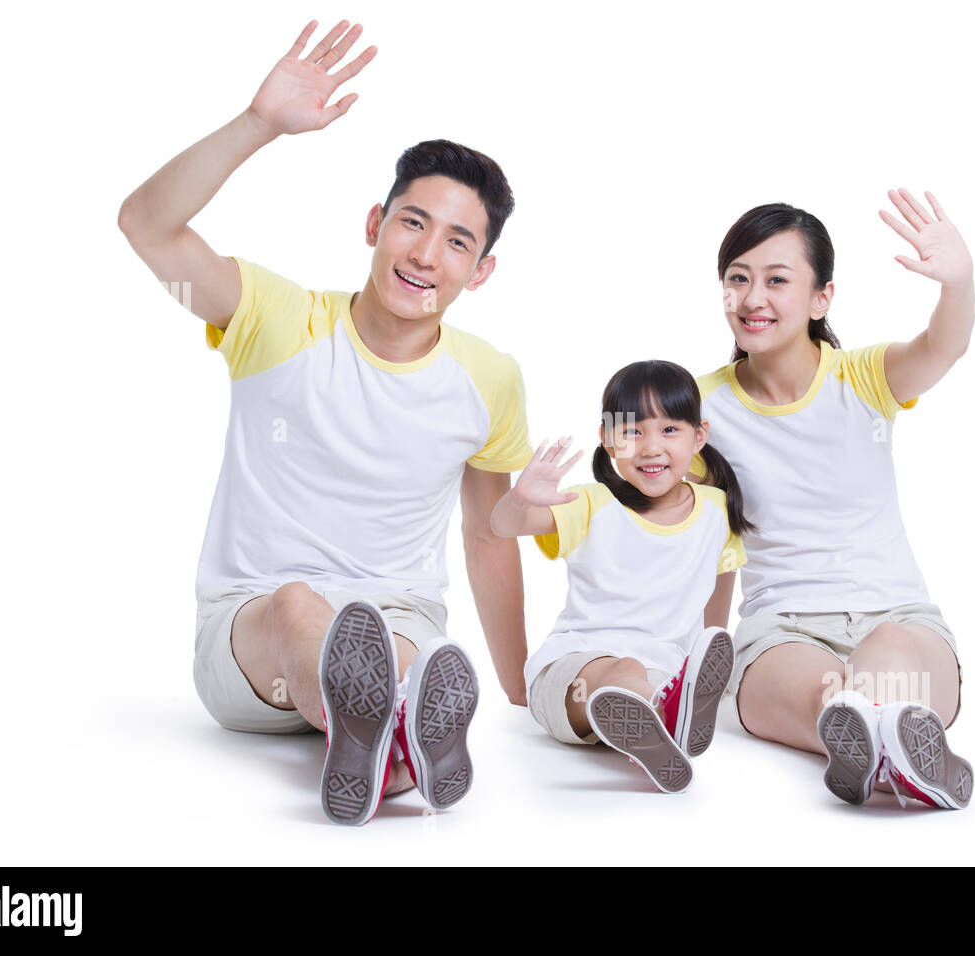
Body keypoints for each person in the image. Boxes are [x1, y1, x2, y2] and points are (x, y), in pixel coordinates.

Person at [117, 20, 534, 825]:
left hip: (400, 611)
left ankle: (382, 742)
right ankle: (391, 730)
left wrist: (520, 685)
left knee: (415, 659)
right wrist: (258, 124)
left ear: (480, 271)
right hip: (253, 629)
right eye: (413, 224)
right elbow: (146, 225)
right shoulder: (276, 319)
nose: (425, 256)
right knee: (301, 607)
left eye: (456, 243)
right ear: (374, 224)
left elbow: (488, 533)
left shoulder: (489, 378)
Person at [691, 191, 975, 809]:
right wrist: (701, 660)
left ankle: (877, 744)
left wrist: (958, 283)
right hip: (781, 634)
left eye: (776, 279)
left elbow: (942, 347)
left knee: (888, 659)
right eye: (737, 279)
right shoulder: (698, 409)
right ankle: (887, 746)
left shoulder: (863, 378)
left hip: (897, 616)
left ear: (822, 297)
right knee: (831, 699)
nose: (752, 298)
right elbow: (709, 541)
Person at [491, 361, 749, 792]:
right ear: (608, 440)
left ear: (698, 436)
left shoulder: (715, 510)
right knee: (622, 670)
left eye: (669, 430)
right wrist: (520, 499)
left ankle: (655, 716)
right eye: (632, 432)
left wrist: (710, 656)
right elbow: (503, 527)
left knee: (641, 675)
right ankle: (653, 719)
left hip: (661, 674)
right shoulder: (592, 503)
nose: (651, 448)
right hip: (572, 670)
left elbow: (718, 584)